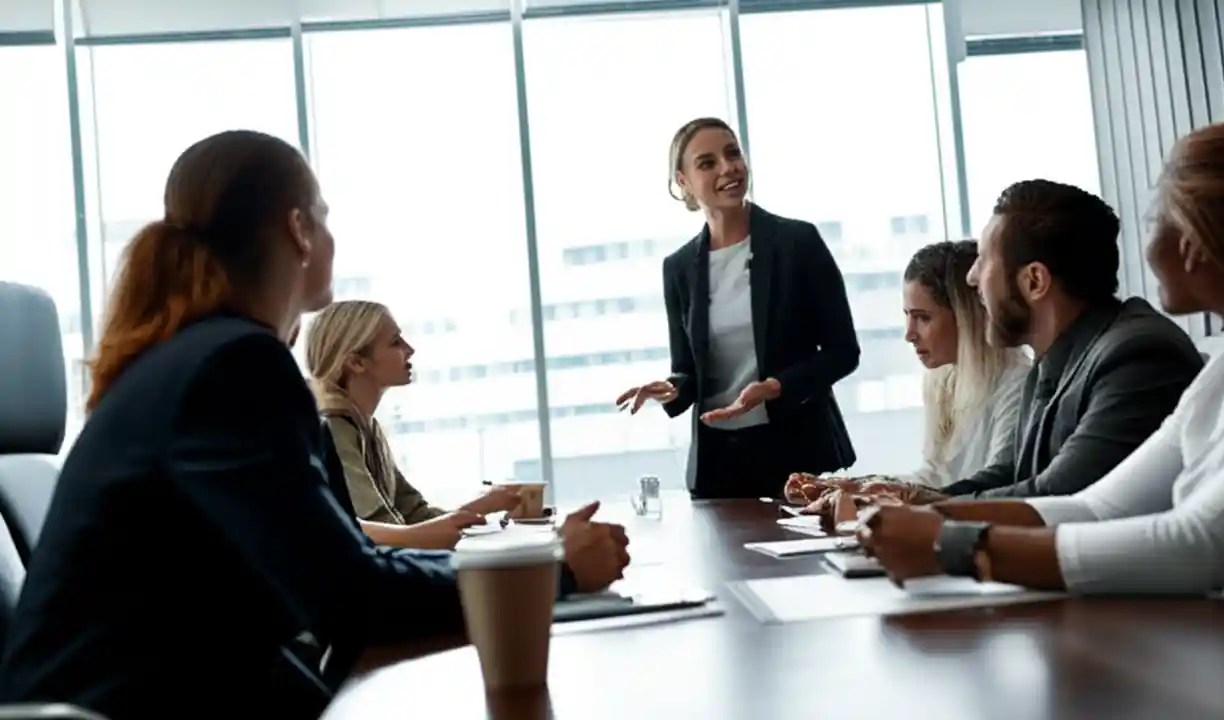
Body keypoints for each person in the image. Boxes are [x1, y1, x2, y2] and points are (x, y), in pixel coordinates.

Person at [0, 130, 629, 717]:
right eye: (323, 216)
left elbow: (341, 572)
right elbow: (353, 600)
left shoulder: (192, 358)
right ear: (298, 230)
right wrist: (553, 570)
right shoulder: (233, 365)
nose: (329, 234)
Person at [859, 119, 1224, 596]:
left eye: (1158, 220)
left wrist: (952, 545)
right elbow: (1094, 508)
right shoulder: (1223, 375)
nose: (973, 280)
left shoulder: (1143, 351)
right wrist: (905, 518)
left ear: (1196, 242)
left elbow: (1197, 543)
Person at [818, 179, 1203, 509]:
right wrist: (906, 498)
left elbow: (1059, 494)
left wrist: (919, 512)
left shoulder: (1135, 356)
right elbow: (1013, 473)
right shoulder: (1056, 359)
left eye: (983, 261)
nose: (971, 279)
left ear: (1034, 281)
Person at [616, 117, 860, 499]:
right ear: (683, 182)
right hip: (719, 465)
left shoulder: (797, 242)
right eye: (707, 162)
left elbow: (843, 353)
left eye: (733, 154)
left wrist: (775, 387)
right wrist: (671, 388)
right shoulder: (678, 268)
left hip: (798, 454)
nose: (727, 167)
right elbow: (688, 372)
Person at [785, 240, 1029, 503]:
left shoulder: (1017, 384)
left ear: (965, 316)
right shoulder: (946, 380)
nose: (909, 334)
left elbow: (999, 482)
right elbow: (935, 477)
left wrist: (879, 492)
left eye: (923, 318)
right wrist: (854, 486)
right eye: (907, 316)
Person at [305, 300, 521, 550]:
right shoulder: (334, 429)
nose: (410, 349)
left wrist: (488, 504)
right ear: (356, 362)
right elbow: (390, 531)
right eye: (395, 342)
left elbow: (416, 518)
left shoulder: (367, 427)